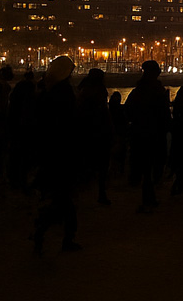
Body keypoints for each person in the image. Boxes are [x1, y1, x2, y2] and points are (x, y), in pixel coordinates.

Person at [32, 56, 81, 254]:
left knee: (59, 198)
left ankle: (43, 230)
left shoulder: (45, 93)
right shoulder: (65, 95)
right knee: (65, 200)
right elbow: (70, 126)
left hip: (50, 153)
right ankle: (53, 233)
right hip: (64, 154)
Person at [125, 60, 170, 212]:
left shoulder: (138, 90)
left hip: (140, 134)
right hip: (155, 134)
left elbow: (129, 111)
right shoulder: (158, 91)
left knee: (144, 168)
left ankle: (147, 197)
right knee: (154, 167)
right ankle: (149, 198)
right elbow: (164, 115)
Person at [76, 68, 113, 206]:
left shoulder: (83, 91)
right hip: (99, 132)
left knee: (86, 163)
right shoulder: (99, 92)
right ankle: (101, 193)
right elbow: (103, 113)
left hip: (86, 132)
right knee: (101, 165)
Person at [7, 67, 39, 190]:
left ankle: (14, 179)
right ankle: (21, 180)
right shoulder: (31, 95)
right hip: (26, 128)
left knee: (15, 155)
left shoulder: (17, 93)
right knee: (24, 156)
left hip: (17, 127)